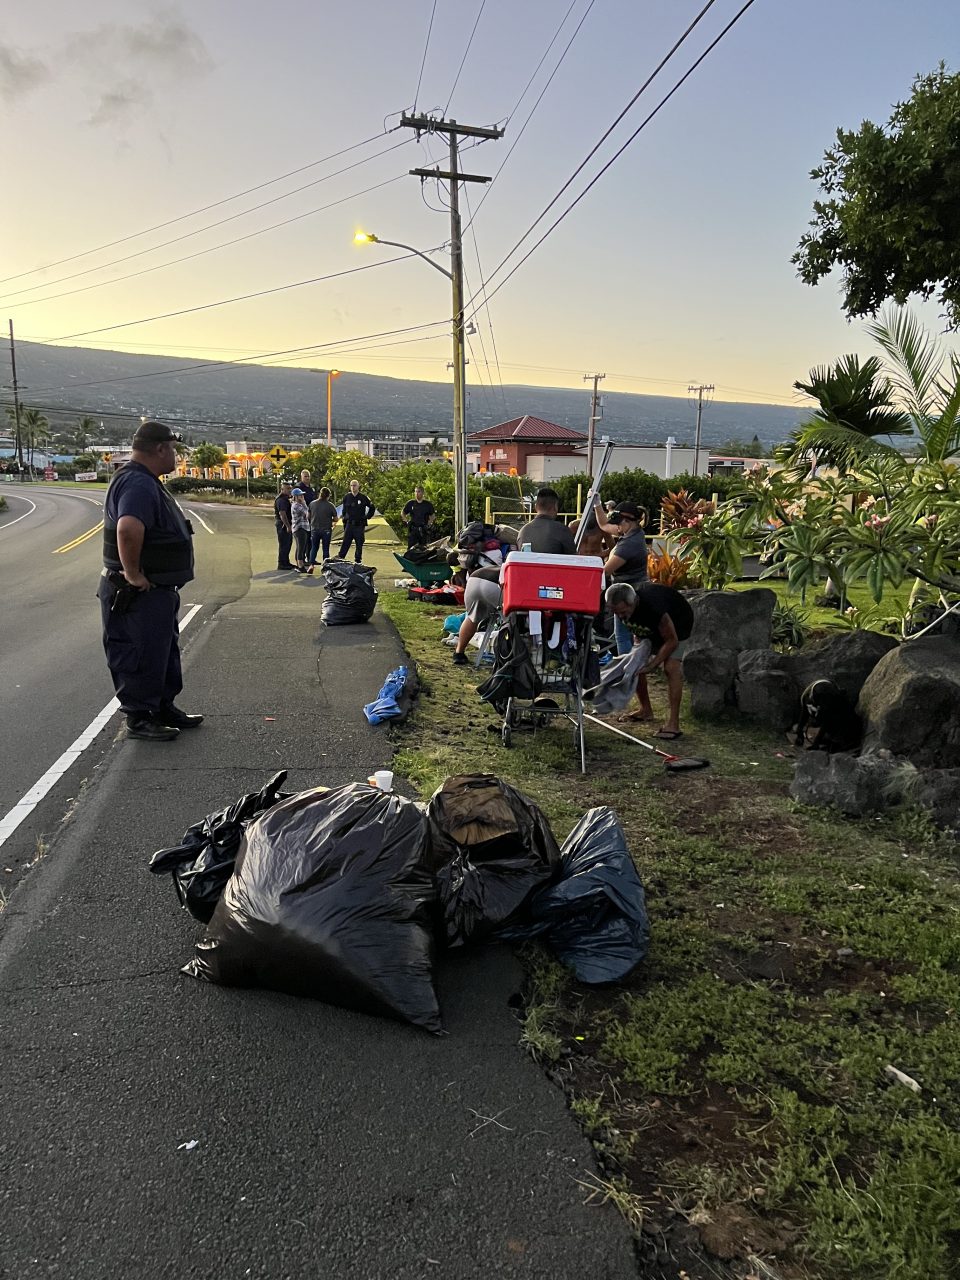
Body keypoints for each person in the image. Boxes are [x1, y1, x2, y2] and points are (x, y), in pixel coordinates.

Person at [97, 420, 201, 742]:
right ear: (160, 449)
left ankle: (162, 707)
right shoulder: (138, 484)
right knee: (140, 654)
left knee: (162, 652)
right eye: (173, 449)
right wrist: (133, 574)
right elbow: (128, 528)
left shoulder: (144, 480)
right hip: (139, 592)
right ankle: (140, 718)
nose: (175, 455)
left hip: (157, 592)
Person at [604, 581, 694, 737]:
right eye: (616, 613)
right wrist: (639, 657)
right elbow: (637, 629)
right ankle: (646, 710)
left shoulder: (653, 607)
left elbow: (672, 641)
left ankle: (673, 724)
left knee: (671, 668)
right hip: (652, 627)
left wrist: (652, 664)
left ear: (632, 604)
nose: (620, 617)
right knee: (636, 665)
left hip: (678, 624)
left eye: (623, 612)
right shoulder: (624, 608)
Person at [598, 499, 649, 654]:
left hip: (629, 592)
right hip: (634, 588)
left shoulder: (630, 544)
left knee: (622, 635)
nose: (617, 527)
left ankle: (625, 669)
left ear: (629, 521)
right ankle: (631, 667)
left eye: (619, 523)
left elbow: (605, 571)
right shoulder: (634, 532)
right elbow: (604, 525)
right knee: (628, 634)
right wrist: (596, 504)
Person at [452, 563, 502, 666]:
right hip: (494, 584)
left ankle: (459, 653)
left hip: (474, 579)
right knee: (511, 619)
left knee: (471, 618)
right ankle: (509, 656)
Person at [517, 488, 577, 554]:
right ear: (555, 507)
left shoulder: (523, 531)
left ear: (536, 507)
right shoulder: (562, 530)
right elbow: (573, 559)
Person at [339, 479, 375, 563]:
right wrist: (344, 519)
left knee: (359, 543)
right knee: (345, 542)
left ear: (358, 486)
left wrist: (367, 517)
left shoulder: (363, 497)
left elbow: (372, 507)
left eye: (354, 485)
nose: (353, 487)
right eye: (351, 485)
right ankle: (341, 558)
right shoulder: (347, 497)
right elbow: (344, 510)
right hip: (349, 524)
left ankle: (358, 560)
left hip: (359, 525)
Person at [307, 485, 339, 572]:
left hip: (314, 529)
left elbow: (308, 516)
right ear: (328, 496)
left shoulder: (312, 504)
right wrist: (329, 519)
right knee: (325, 548)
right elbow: (336, 519)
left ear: (320, 494)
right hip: (326, 530)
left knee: (314, 547)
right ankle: (325, 567)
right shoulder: (330, 506)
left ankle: (311, 565)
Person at [274, 481, 294, 570]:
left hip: (285, 523)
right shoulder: (281, 500)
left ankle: (286, 562)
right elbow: (282, 514)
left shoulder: (285, 499)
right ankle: (282, 564)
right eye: (288, 489)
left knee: (288, 543)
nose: (290, 490)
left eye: (290, 488)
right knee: (284, 544)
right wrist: (288, 526)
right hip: (282, 524)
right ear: (282, 489)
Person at [291, 488, 311, 572]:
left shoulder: (299, 505)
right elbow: (307, 515)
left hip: (303, 527)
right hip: (300, 528)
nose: (302, 496)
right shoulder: (296, 505)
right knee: (301, 548)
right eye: (300, 495)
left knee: (300, 547)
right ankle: (300, 566)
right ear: (295, 496)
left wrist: (303, 503)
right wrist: (304, 503)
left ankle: (299, 564)